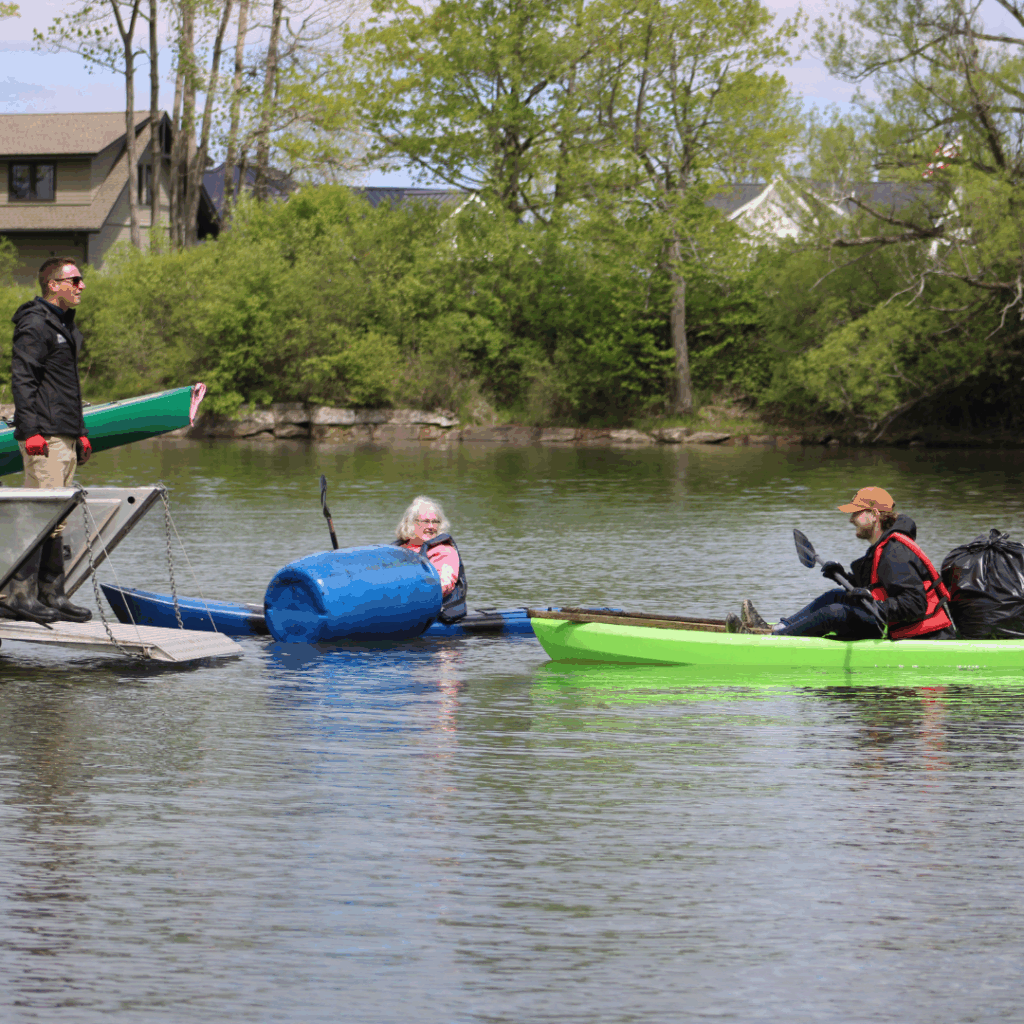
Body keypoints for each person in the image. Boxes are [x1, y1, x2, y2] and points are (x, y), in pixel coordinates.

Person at [0, 257, 93, 623]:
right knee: (38, 517)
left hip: (65, 433)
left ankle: (52, 595)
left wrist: (81, 433)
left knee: (57, 520)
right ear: (53, 285)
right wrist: (33, 430)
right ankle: (19, 596)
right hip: (45, 436)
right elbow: (23, 379)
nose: (81, 285)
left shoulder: (64, 327)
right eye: (74, 280)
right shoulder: (35, 323)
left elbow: (67, 389)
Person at [770, 486, 955, 641]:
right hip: (892, 622)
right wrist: (842, 577)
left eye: (856, 513)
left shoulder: (894, 552)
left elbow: (914, 604)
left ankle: (777, 640)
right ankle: (781, 627)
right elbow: (882, 588)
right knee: (834, 596)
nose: (851, 519)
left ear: (874, 515)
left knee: (834, 613)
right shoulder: (883, 547)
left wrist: (875, 602)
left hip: (923, 636)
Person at [394, 496, 467, 623]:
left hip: (432, 615)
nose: (432, 526)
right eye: (426, 521)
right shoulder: (399, 548)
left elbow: (444, 585)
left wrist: (407, 596)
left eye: (435, 522)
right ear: (411, 523)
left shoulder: (444, 550)